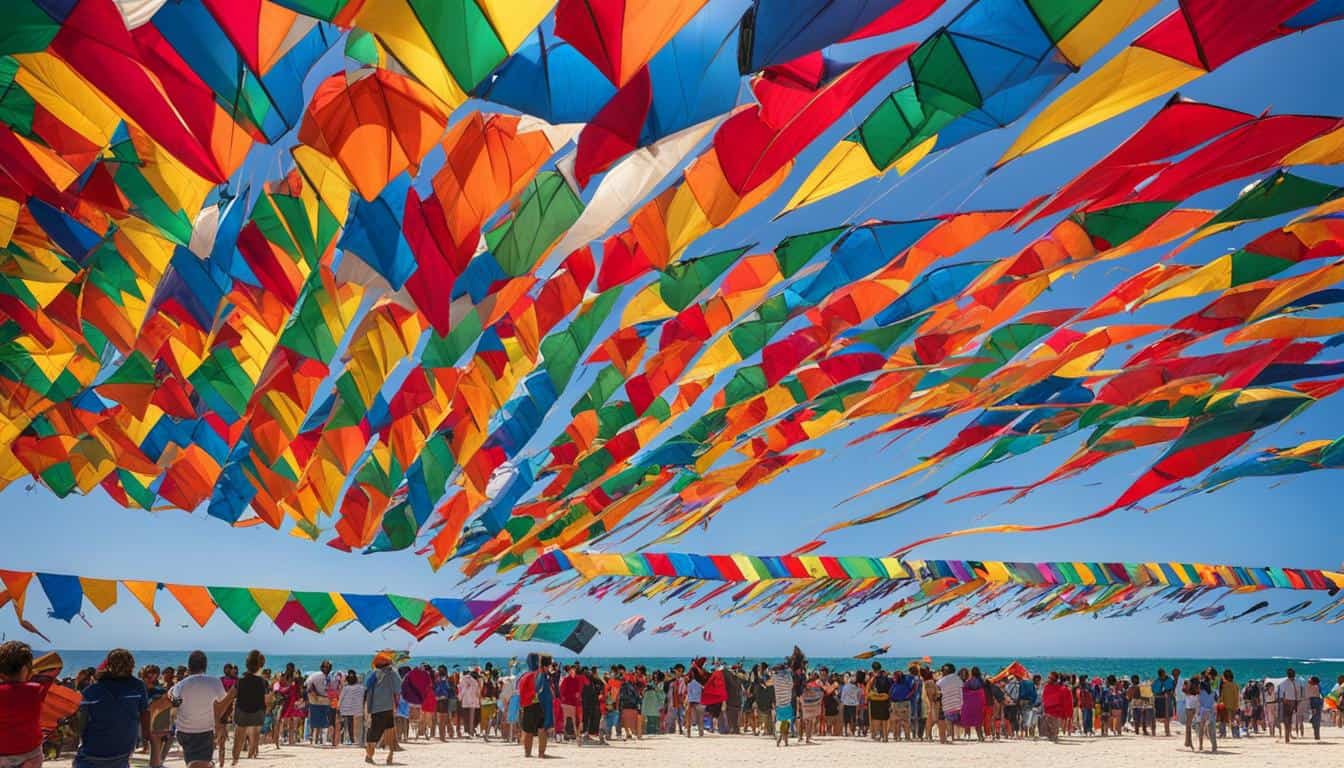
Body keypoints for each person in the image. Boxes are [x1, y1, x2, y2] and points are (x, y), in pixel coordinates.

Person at [74, 649, 150, 768]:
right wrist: (146, 737)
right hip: (125, 748)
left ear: (108, 665)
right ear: (132, 666)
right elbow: (145, 713)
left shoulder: (91, 690)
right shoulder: (138, 686)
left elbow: (80, 726)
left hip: (94, 751)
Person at [170, 651, 236, 768]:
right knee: (200, 763)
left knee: (192, 762)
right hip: (205, 730)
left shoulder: (181, 685)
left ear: (189, 666)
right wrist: (231, 695)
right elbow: (221, 705)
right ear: (205, 666)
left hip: (183, 731)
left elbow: (174, 705)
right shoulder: (214, 682)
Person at [0, 642, 58, 768]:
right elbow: (56, 665)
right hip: (30, 753)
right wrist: (30, 672)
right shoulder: (37, 689)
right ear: (26, 669)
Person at [363, 653, 401, 765]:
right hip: (389, 706)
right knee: (390, 731)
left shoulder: (373, 673)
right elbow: (398, 688)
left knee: (373, 733)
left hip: (376, 707)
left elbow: (366, 685)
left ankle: (369, 755)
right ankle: (390, 756)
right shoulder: (392, 673)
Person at [231, 652, 268, 764]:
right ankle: (252, 753)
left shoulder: (240, 680)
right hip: (258, 713)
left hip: (242, 712)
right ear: (260, 666)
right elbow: (266, 699)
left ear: (247, 665)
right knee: (255, 733)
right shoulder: (262, 681)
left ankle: (235, 759)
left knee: (238, 738)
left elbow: (232, 695)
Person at [517, 653, 550, 758]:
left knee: (528, 731)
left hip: (529, 705)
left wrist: (522, 706)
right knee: (542, 730)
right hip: (541, 705)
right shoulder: (543, 675)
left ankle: (528, 753)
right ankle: (541, 753)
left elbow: (521, 693)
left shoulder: (524, 676)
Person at [1040, 672, 1071, 743]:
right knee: (1048, 725)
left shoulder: (1059, 688)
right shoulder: (1047, 686)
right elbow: (1044, 697)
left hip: (1056, 710)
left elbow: (1062, 698)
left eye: (1050, 677)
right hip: (1047, 709)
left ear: (1055, 679)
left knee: (1054, 725)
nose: (1049, 679)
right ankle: (1052, 737)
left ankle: (1054, 737)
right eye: (1049, 677)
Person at [936, 664, 962, 743]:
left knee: (946, 720)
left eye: (943, 671)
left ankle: (948, 737)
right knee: (951, 721)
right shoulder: (958, 679)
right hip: (956, 703)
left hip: (946, 703)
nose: (942, 672)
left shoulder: (942, 680)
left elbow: (937, 687)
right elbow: (961, 689)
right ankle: (951, 736)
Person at [340, 671, 365, 746]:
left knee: (344, 725)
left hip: (345, 709)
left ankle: (343, 740)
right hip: (357, 710)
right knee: (352, 725)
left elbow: (341, 698)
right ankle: (354, 739)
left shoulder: (345, 688)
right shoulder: (362, 688)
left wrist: (338, 707)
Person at [771, 664, 794, 747]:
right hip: (788, 704)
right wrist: (788, 673)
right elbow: (791, 686)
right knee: (786, 723)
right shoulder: (788, 678)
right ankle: (784, 740)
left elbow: (773, 674)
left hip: (779, 705)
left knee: (780, 722)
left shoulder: (775, 678)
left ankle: (780, 738)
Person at [1280, 668, 1303, 744]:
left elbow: (1281, 694)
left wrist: (1299, 700)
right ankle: (1287, 737)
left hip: (1292, 701)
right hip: (1290, 701)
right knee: (1288, 720)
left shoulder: (1287, 682)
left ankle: (1288, 736)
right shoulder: (1296, 682)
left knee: (1289, 720)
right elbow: (1300, 692)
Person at [1196, 678, 1217, 753]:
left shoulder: (1200, 693)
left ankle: (1201, 745)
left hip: (1203, 712)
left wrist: (1197, 712)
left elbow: (1198, 703)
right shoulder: (1213, 692)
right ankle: (1214, 747)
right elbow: (1215, 702)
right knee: (1212, 730)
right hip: (1211, 712)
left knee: (1201, 730)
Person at [459, 669, 481, 738]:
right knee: (472, 718)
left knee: (466, 717)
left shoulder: (463, 679)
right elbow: (478, 693)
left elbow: (461, 689)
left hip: (465, 701)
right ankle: (471, 732)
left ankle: (469, 731)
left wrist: (460, 697)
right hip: (473, 701)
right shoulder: (475, 682)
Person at [1218, 669, 1239, 738]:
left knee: (1222, 721)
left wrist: (1219, 703)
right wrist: (1236, 705)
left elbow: (1222, 697)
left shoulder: (1224, 686)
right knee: (1233, 720)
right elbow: (1236, 696)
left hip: (1225, 705)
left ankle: (1222, 734)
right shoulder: (1235, 685)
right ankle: (1235, 734)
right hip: (1233, 705)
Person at [1307, 675, 1323, 741]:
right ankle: (1317, 735)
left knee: (1316, 719)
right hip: (1317, 700)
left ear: (1313, 681)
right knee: (1317, 719)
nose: (1308, 680)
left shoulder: (1312, 686)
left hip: (1313, 700)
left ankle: (1317, 735)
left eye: (1310, 680)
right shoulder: (1318, 686)